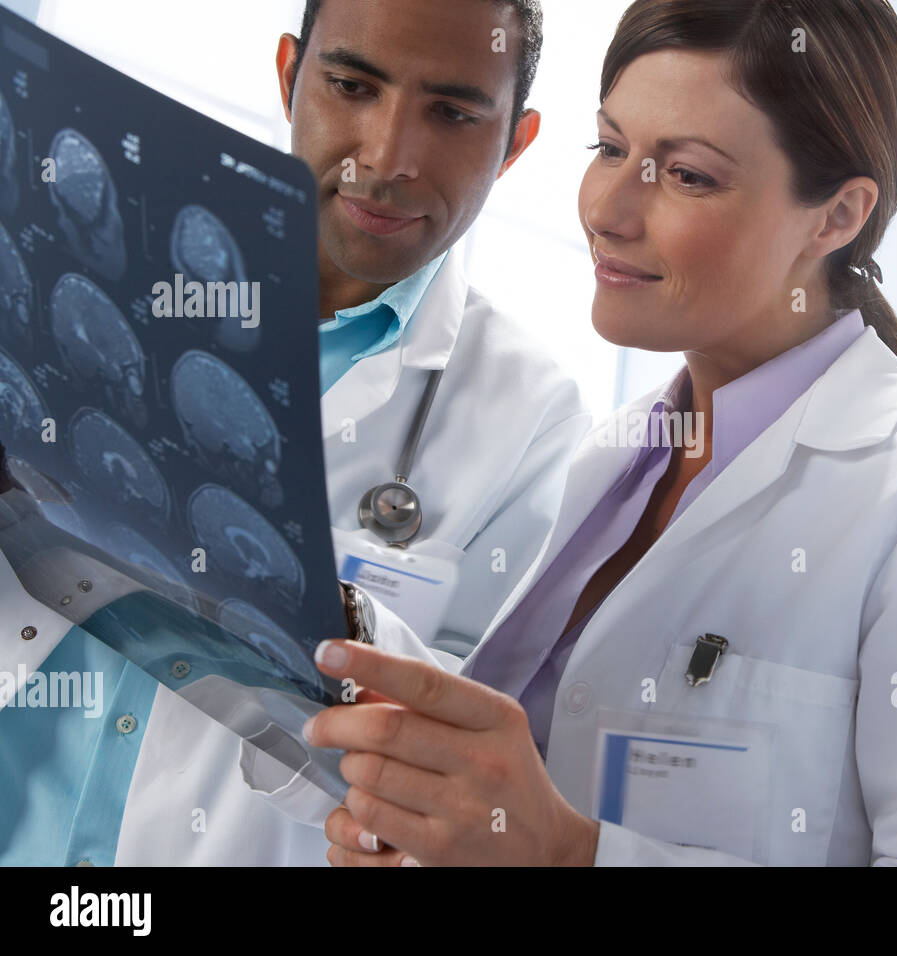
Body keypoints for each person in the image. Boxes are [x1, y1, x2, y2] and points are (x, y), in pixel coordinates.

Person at [310, 0, 897, 867]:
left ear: (835, 217)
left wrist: (573, 856)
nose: (609, 209)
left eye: (686, 175)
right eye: (610, 148)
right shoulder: (607, 462)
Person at [0, 0, 590, 866]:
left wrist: (310, 610)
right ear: (288, 76)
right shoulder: (93, 260)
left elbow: (455, 779)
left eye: (454, 114)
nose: (388, 158)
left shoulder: (532, 418)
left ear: (516, 143)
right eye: (352, 86)